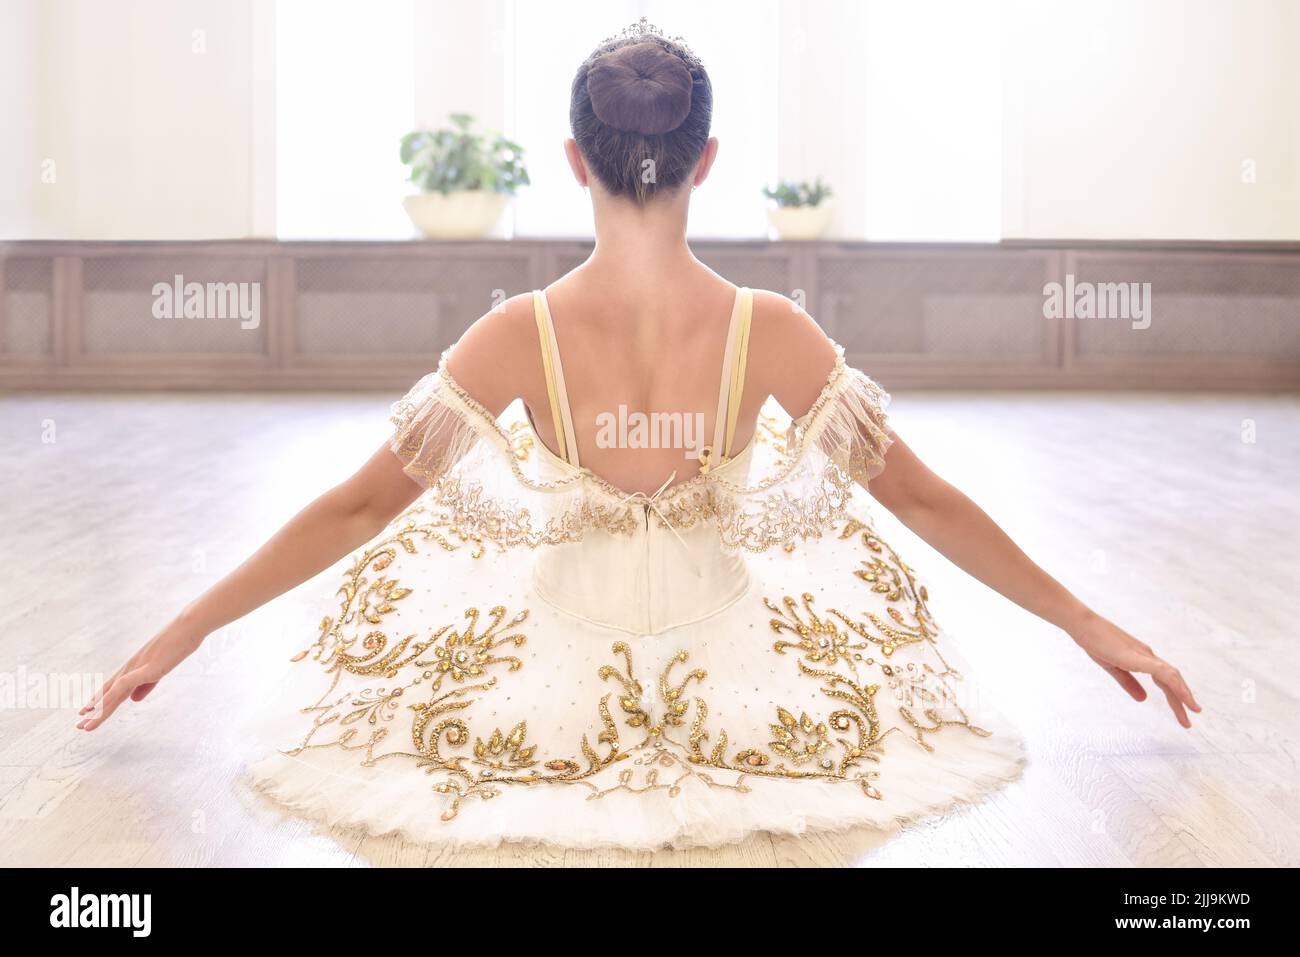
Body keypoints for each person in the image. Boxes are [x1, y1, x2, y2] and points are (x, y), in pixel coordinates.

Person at [79, 20, 1198, 851]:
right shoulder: (774, 330)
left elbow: (359, 506)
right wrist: (1090, 623)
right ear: (706, 161)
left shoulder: (517, 334)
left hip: (555, 671)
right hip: (736, 672)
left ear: (574, 160)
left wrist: (175, 634)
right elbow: (925, 499)